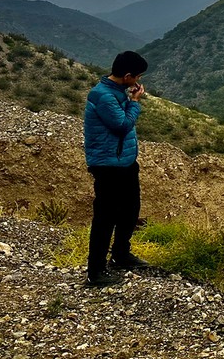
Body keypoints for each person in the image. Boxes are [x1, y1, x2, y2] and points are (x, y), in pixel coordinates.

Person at [83, 50, 150, 286]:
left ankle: (121, 254)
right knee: (105, 217)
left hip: (125, 163)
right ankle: (96, 271)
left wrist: (128, 98)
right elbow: (121, 125)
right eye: (137, 76)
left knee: (131, 209)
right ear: (128, 75)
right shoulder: (103, 96)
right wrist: (134, 103)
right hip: (108, 166)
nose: (139, 81)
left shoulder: (116, 92)